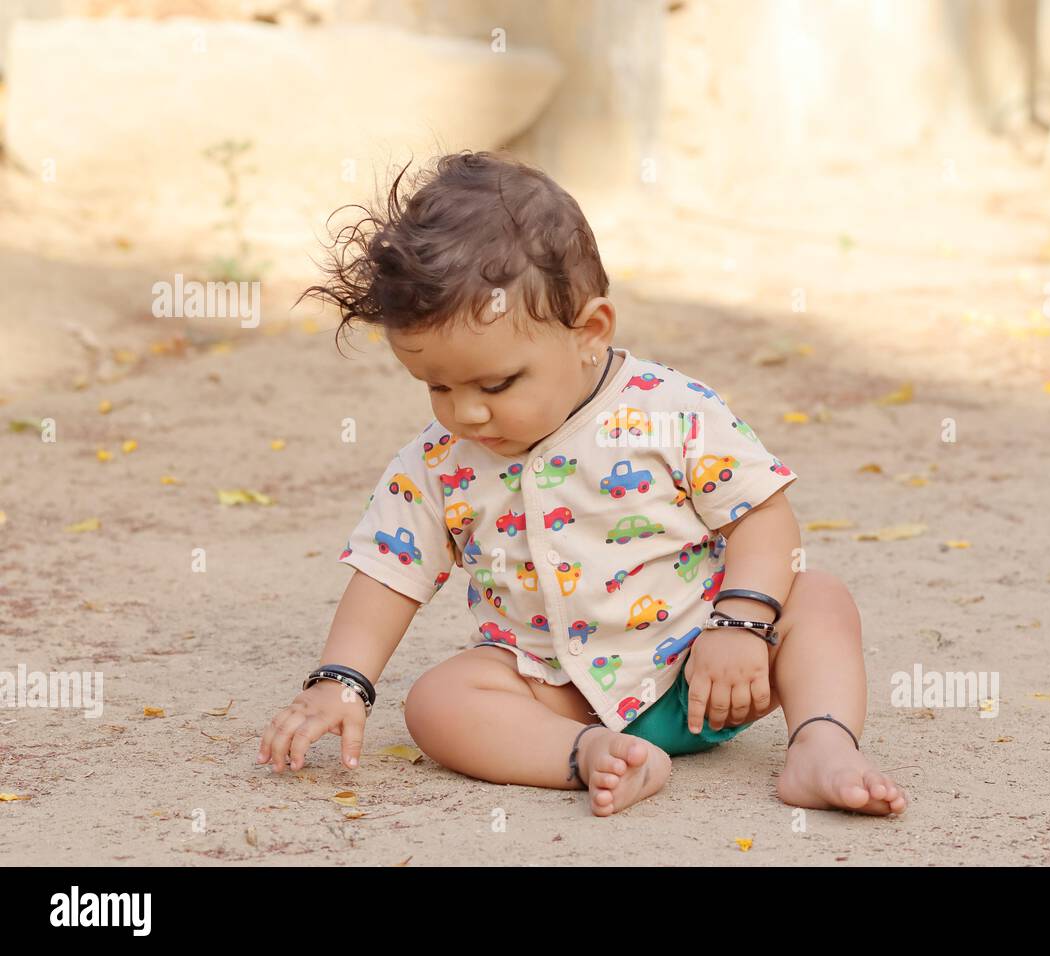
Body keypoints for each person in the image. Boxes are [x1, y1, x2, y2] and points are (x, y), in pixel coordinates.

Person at [257, 150, 907, 818]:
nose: (466, 412)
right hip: (553, 690)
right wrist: (342, 681)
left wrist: (742, 622)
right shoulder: (440, 462)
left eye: (497, 383)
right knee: (438, 702)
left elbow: (761, 516)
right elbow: (388, 573)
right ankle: (590, 755)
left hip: (710, 669)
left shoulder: (668, 411)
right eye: (438, 387)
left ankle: (822, 745)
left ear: (590, 332)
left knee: (819, 598)